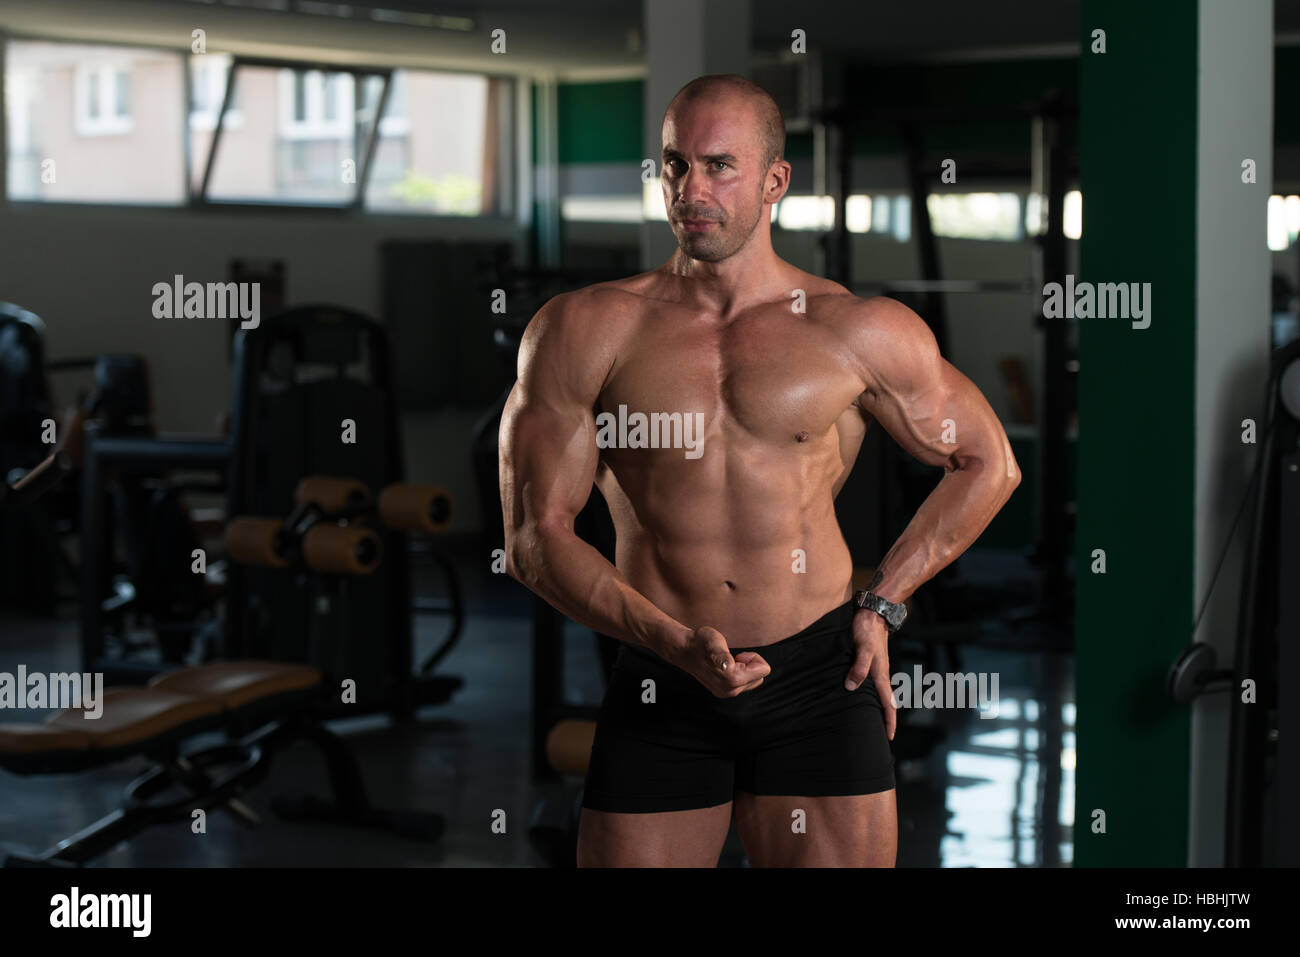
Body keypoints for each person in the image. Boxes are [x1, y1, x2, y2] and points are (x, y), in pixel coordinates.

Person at [499, 74, 1021, 866]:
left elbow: (989, 463)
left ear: (776, 181)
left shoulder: (858, 329)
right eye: (674, 164)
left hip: (820, 675)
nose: (690, 189)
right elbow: (534, 537)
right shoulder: (584, 328)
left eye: (719, 166)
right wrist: (670, 643)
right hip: (663, 675)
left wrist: (883, 603)